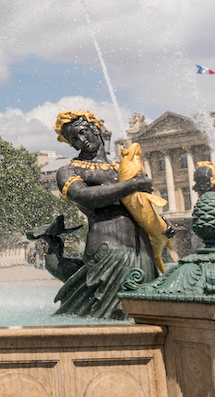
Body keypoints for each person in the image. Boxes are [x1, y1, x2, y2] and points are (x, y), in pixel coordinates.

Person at [51, 110, 159, 320]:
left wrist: (160, 223)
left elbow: (139, 205)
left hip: (141, 248)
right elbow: (84, 196)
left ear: (96, 129)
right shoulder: (69, 170)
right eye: (74, 139)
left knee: (145, 315)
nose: (80, 141)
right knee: (108, 317)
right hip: (108, 250)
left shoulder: (123, 168)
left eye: (82, 132)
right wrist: (134, 184)